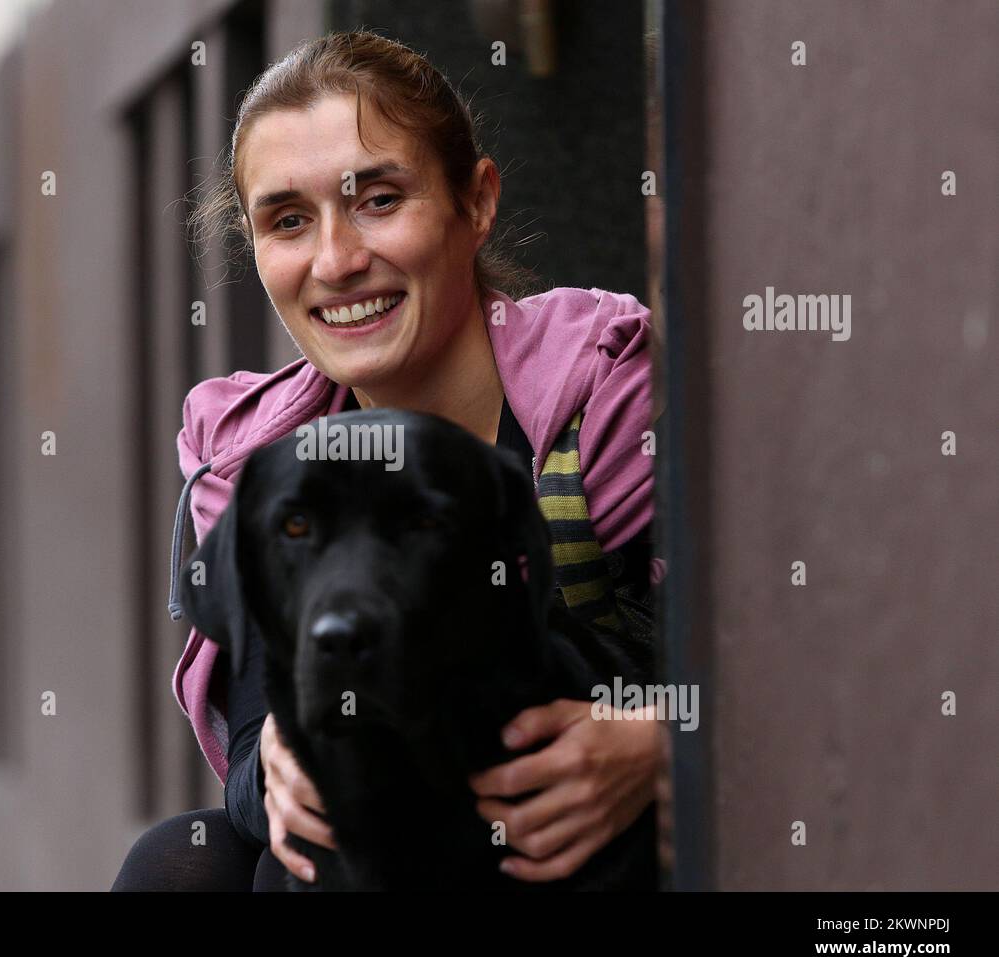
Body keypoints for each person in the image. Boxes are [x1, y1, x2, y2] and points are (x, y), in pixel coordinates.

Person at [112, 29, 665, 892]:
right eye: (288, 220)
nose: (336, 261)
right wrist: (278, 780)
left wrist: (665, 746)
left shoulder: (611, 403)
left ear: (475, 203)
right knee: (183, 866)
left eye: (377, 199)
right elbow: (258, 754)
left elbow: (782, 663)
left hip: (616, 846)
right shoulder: (261, 457)